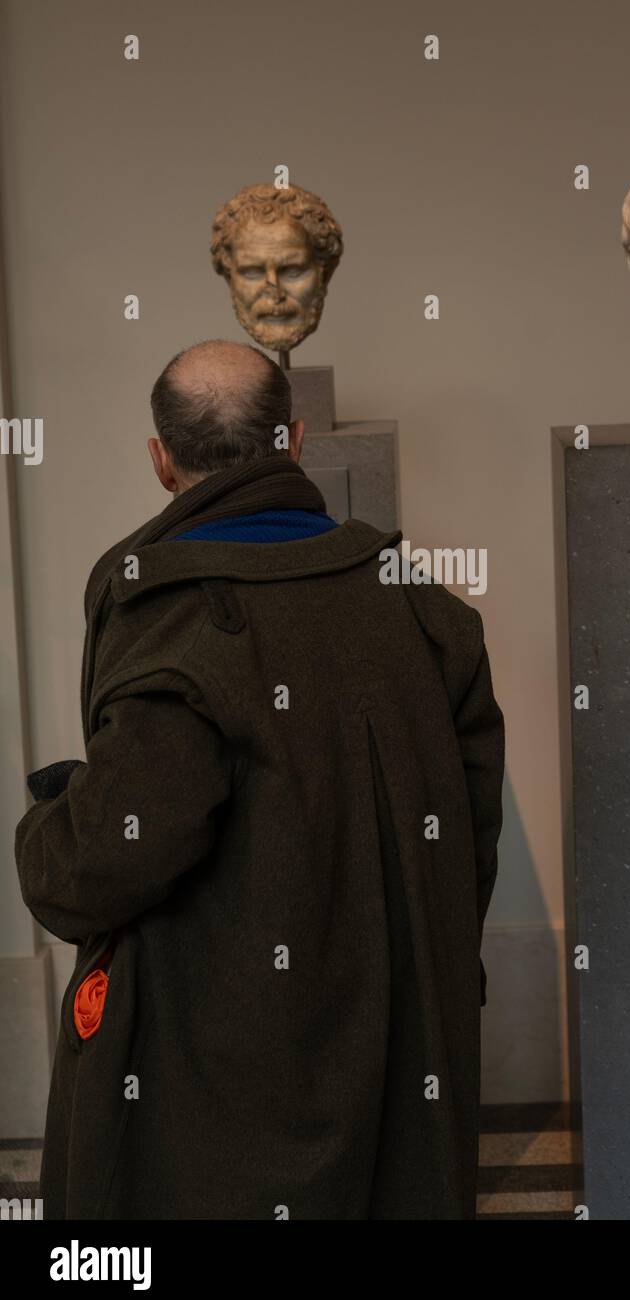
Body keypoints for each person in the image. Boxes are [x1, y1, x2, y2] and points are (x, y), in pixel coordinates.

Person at [15, 338, 504, 1220]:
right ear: (298, 439)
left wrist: (45, 826)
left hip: (212, 1080)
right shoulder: (423, 606)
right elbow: (466, 844)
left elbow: (103, 864)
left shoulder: (169, 622)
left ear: (161, 462)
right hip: (398, 1046)